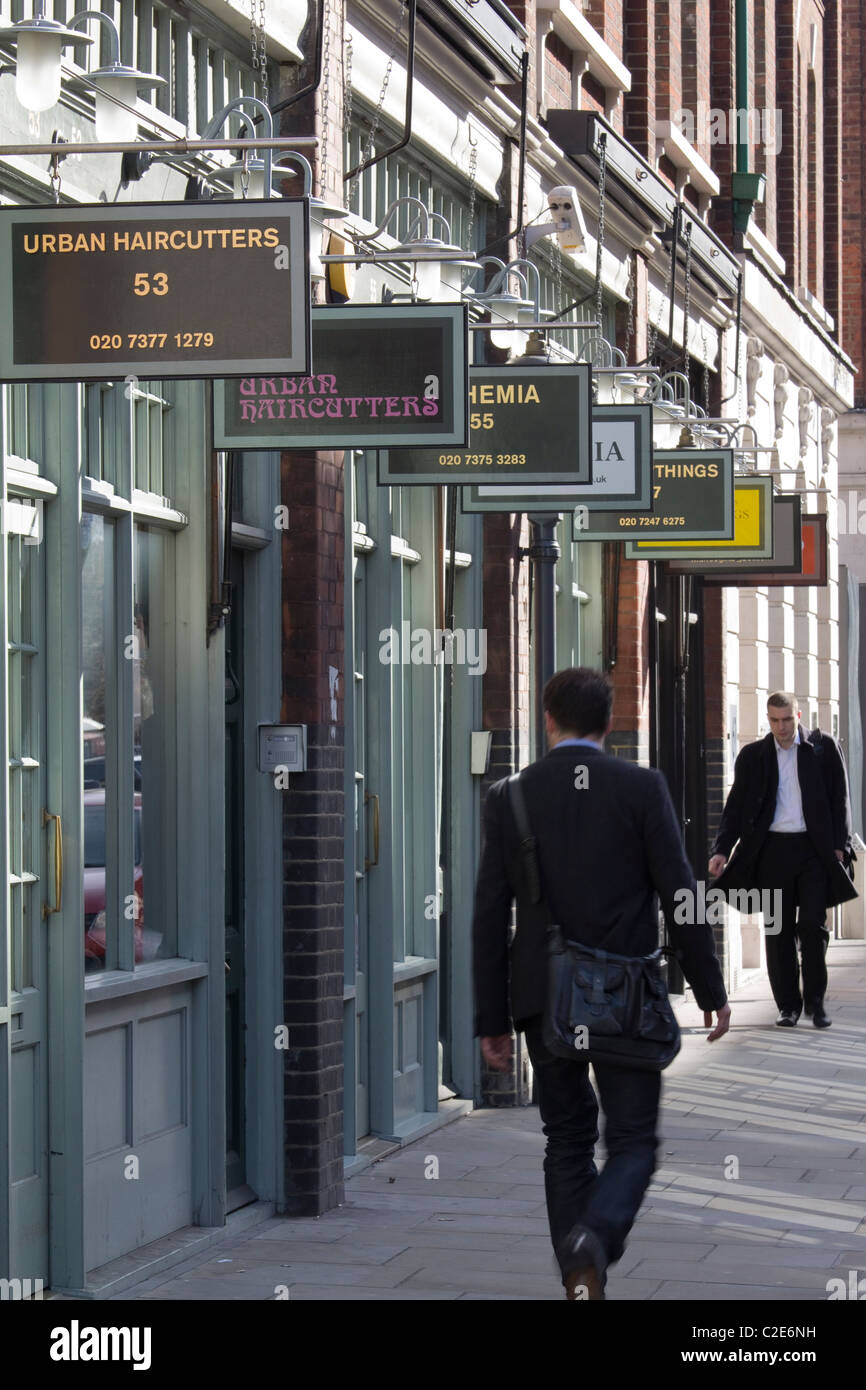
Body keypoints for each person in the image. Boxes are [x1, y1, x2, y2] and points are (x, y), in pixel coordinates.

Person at [472, 666, 730, 1301]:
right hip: (627, 1000)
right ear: (610, 725)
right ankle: (595, 1236)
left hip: (544, 997)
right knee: (634, 1140)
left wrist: (491, 1020)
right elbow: (680, 895)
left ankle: (580, 1284)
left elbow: (487, 914)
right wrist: (709, 989)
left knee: (565, 1139)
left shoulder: (511, 797)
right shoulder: (641, 788)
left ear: (547, 718)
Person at [709, 691, 856, 1029]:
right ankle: (788, 1005)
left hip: (813, 852)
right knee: (777, 930)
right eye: (774, 721)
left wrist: (840, 845)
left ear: (798, 716)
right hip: (771, 851)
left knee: (812, 926)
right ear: (768, 719)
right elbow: (735, 808)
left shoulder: (822, 749)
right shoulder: (754, 756)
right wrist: (721, 850)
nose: (781, 727)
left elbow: (840, 798)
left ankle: (816, 1004)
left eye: (787, 719)